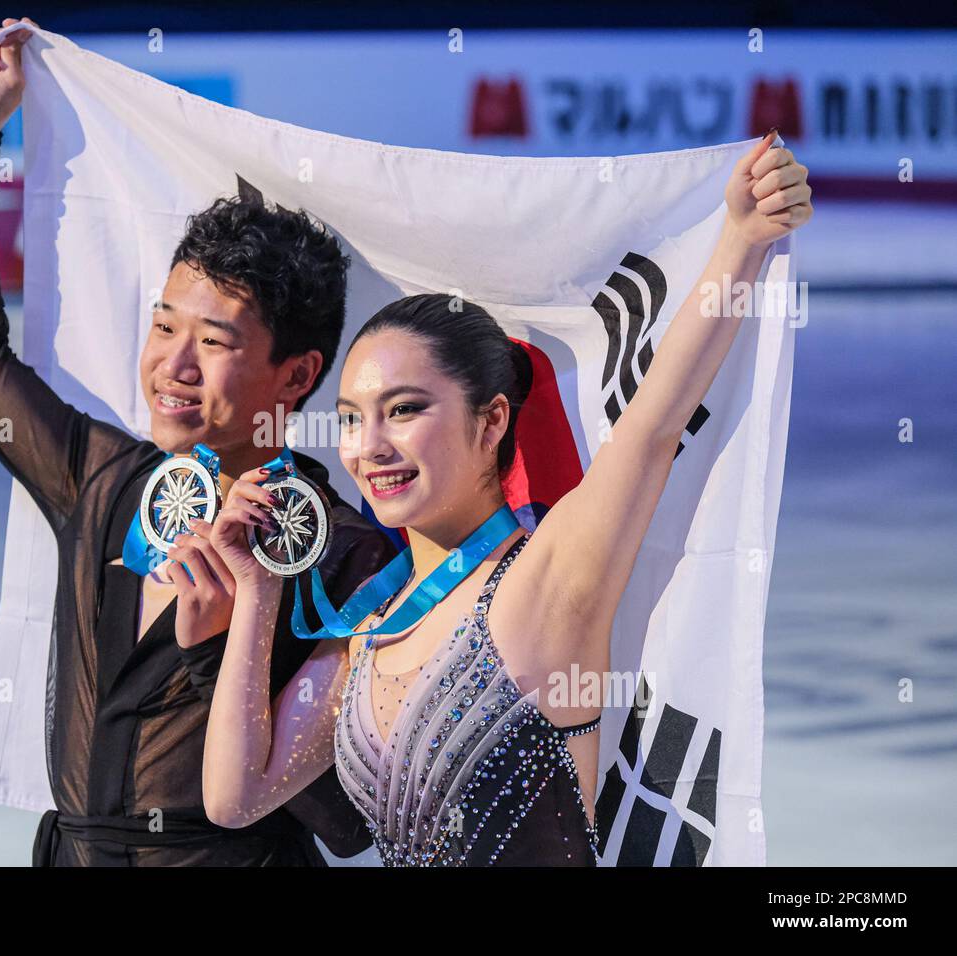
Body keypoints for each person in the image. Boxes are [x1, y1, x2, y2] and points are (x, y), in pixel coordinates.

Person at [198, 129, 812, 865]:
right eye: (355, 419)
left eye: (405, 410)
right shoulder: (366, 629)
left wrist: (741, 241)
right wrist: (259, 591)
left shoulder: (546, 578)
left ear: (491, 420)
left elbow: (651, 428)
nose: (370, 448)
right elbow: (234, 798)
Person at [0, 17, 397, 865]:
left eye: (213, 342)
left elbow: (349, 820)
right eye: (162, 325)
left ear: (296, 374)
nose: (170, 365)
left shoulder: (347, 556)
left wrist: (229, 649)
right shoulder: (102, 478)